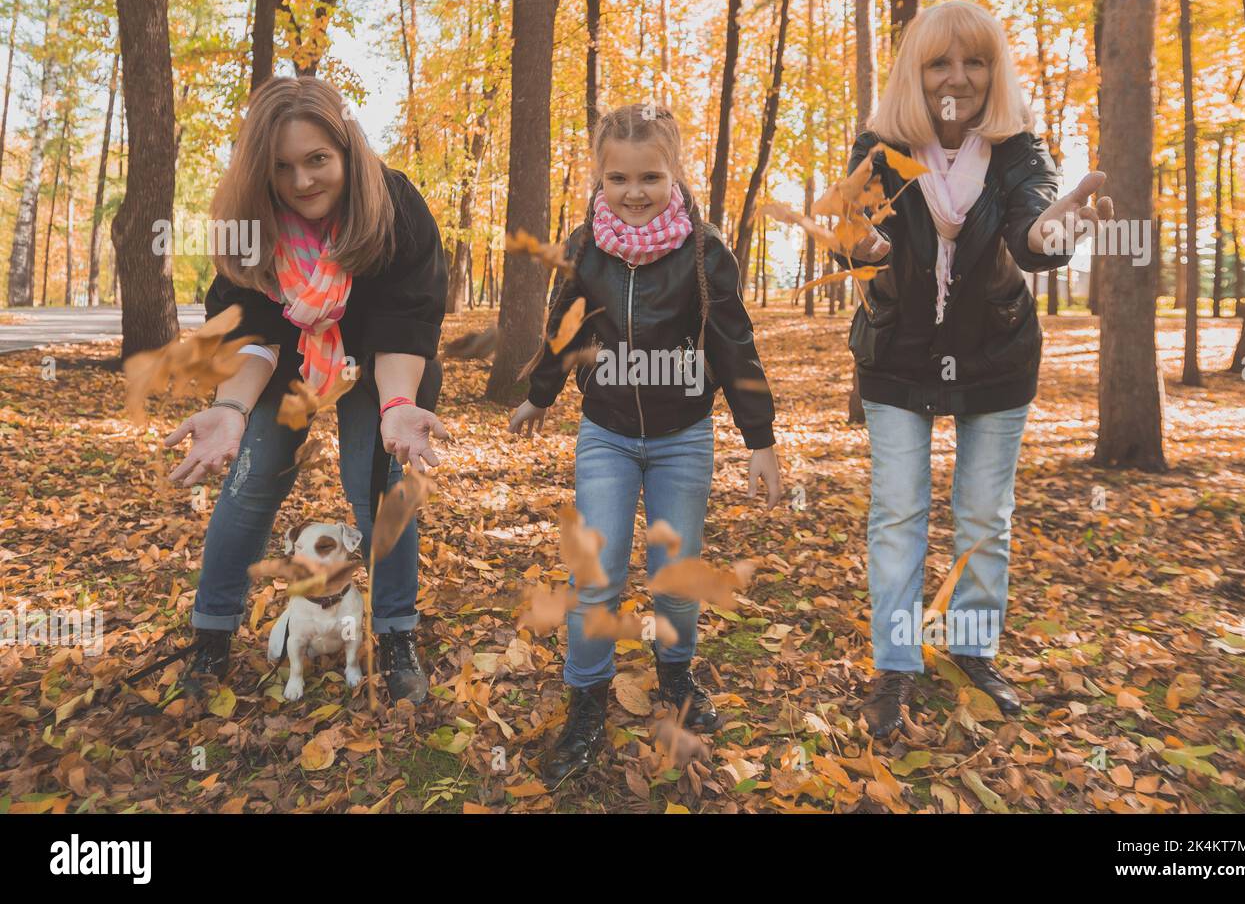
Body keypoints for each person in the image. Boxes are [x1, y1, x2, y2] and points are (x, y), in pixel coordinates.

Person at [837, 1, 1113, 737]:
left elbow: (1034, 231)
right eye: (938, 63)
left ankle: (971, 647)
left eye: (975, 61)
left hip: (996, 354)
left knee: (984, 517)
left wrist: (1061, 227)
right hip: (897, 355)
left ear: (995, 72)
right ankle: (895, 662)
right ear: (914, 73)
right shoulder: (878, 146)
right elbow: (854, 232)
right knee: (897, 512)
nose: (957, 77)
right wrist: (859, 247)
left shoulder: (1020, 150)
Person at [509, 104, 784, 788]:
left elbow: (733, 342)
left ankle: (676, 670)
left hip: (681, 438)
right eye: (620, 177)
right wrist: (542, 394)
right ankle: (587, 699)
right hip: (605, 433)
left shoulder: (702, 249)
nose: (635, 192)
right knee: (594, 569)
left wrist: (759, 438)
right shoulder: (585, 247)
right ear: (600, 176)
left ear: (674, 173)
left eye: (651, 177)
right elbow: (565, 326)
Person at [164, 76, 449, 705]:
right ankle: (211, 635)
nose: (302, 182)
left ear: (346, 149)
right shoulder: (250, 222)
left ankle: (397, 631)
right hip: (286, 359)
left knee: (378, 484)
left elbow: (407, 322)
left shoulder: (395, 206)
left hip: (380, 359)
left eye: (317, 159)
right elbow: (252, 329)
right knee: (255, 473)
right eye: (282, 167)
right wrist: (232, 407)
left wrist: (398, 406)